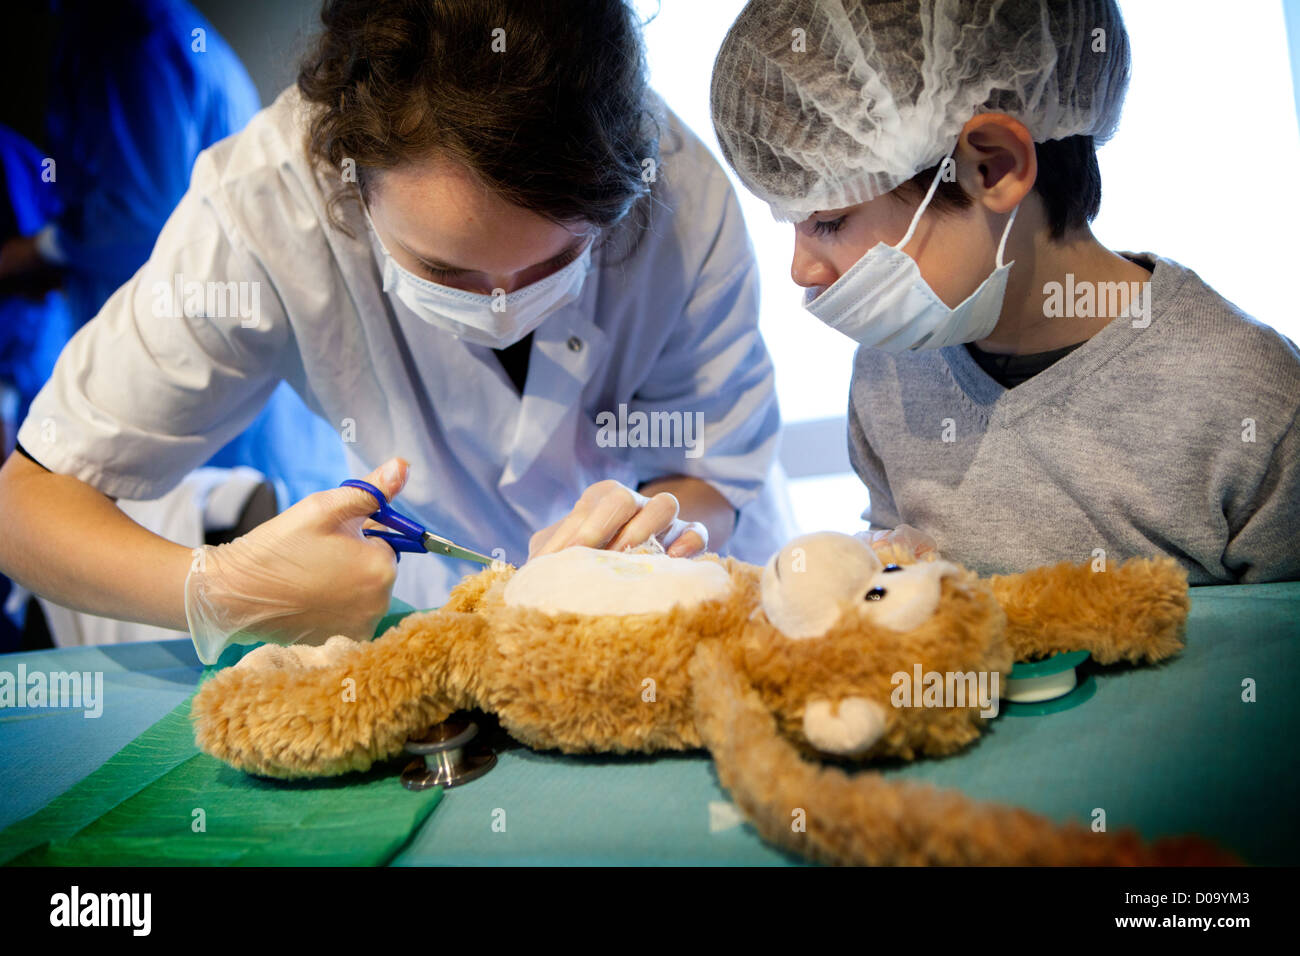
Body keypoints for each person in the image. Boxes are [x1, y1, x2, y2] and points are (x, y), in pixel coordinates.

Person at [0, 0, 791, 665]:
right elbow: (25, 507)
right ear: (347, 177)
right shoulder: (263, 209)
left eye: (557, 262)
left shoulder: (680, 192)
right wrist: (215, 590)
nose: (503, 309)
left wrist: (648, 541)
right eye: (446, 272)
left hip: (679, 604)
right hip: (438, 613)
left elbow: (713, 468)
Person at [710, 0, 1299, 584]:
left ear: (992, 167)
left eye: (829, 221)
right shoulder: (890, 374)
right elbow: (903, 587)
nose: (801, 269)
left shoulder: (1248, 402)